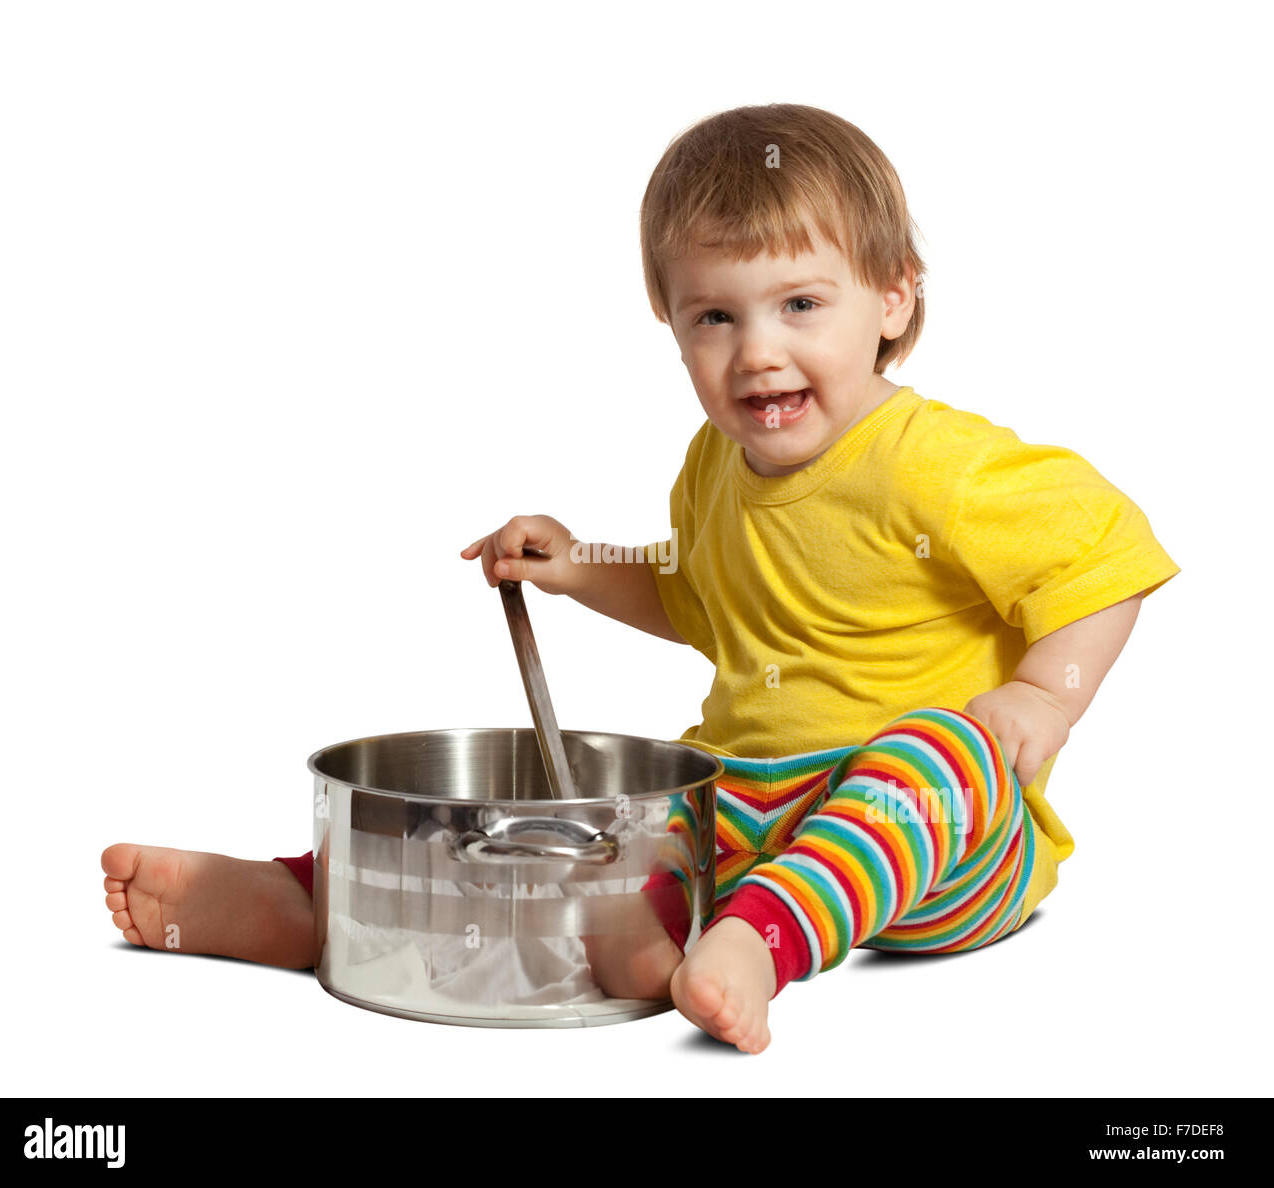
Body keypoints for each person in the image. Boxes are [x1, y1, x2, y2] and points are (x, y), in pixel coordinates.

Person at [102, 103, 1179, 1054]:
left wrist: (1042, 698)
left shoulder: (938, 463)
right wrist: (581, 566)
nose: (757, 351)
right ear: (670, 323)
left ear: (894, 299)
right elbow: (698, 595)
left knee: (939, 748)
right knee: (607, 819)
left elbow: (1105, 550)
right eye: (716, 316)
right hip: (754, 806)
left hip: (945, 842)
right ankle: (315, 900)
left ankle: (757, 943)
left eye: (801, 305)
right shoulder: (714, 463)